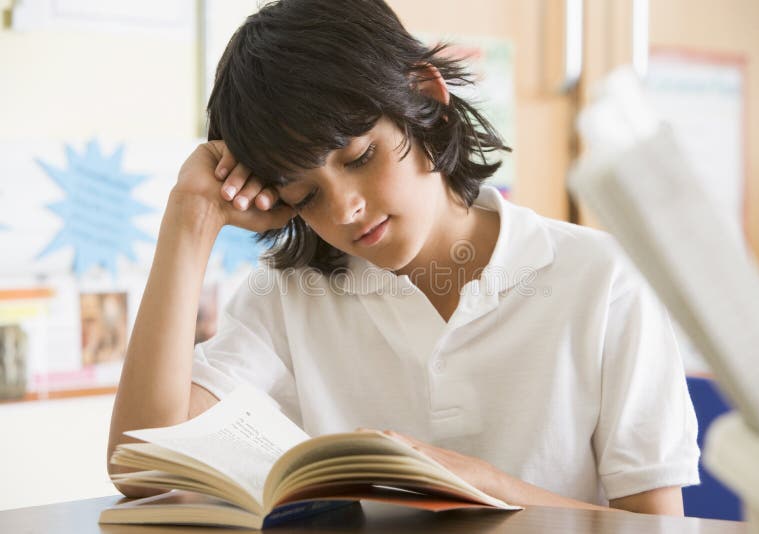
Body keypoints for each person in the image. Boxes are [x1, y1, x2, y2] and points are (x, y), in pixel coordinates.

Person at [107, 0, 699, 515]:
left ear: (425, 97)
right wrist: (190, 219)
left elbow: (656, 524)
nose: (344, 211)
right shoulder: (289, 295)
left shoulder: (603, 278)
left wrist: (488, 487)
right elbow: (143, 465)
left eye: (360, 157)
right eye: (305, 193)